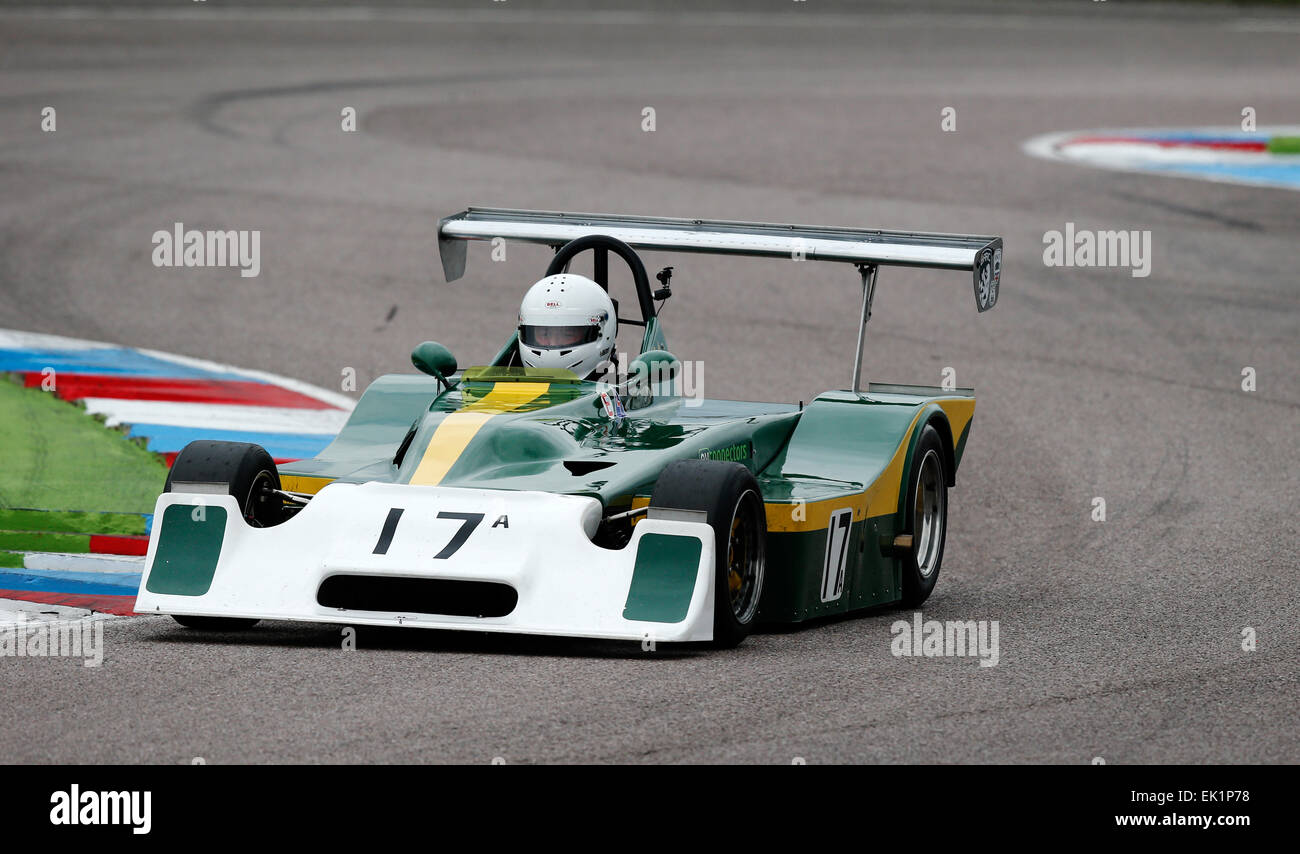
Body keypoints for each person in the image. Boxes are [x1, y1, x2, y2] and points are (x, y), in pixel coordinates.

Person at [516, 273, 616, 381]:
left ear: (601, 333)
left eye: (567, 335)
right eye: (544, 334)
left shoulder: (622, 386)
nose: (553, 343)